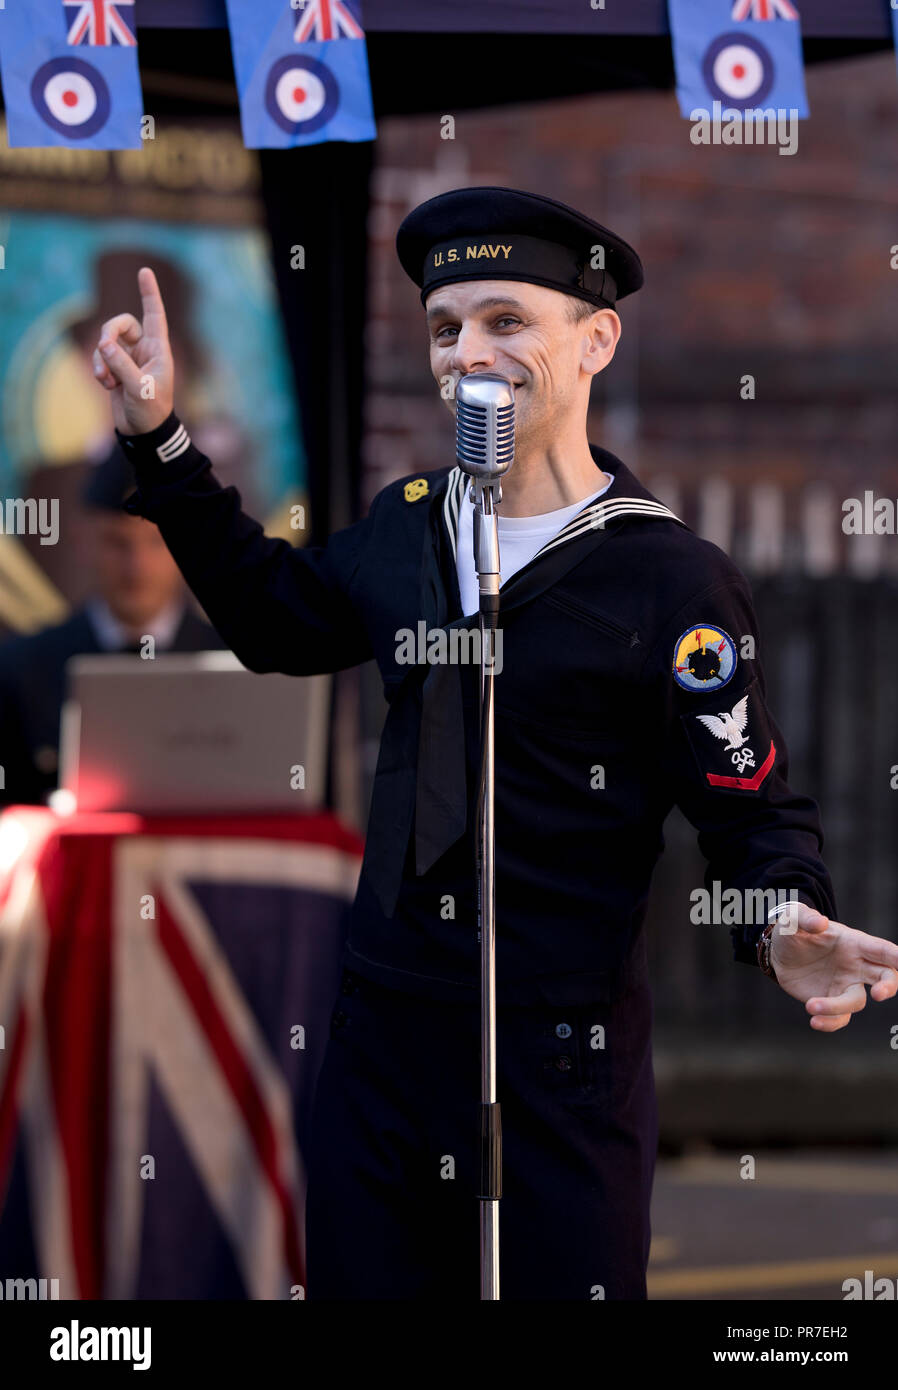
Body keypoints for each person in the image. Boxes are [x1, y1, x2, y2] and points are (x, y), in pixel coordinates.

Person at [93, 187, 898, 1301]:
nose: (467, 351)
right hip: (385, 1033)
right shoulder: (410, 522)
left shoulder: (666, 578)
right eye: (444, 326)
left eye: (505, 320)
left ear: (594, 339)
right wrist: (162, 443)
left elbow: (748, 806)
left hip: (556, 1057)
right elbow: (277, 620)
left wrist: (777, 923)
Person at [0, 446, 226, 808]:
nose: (137, 567)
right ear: (83, 541)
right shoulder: (23, 671)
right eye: (117, 543)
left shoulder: (235, 663)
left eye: (156, 542)